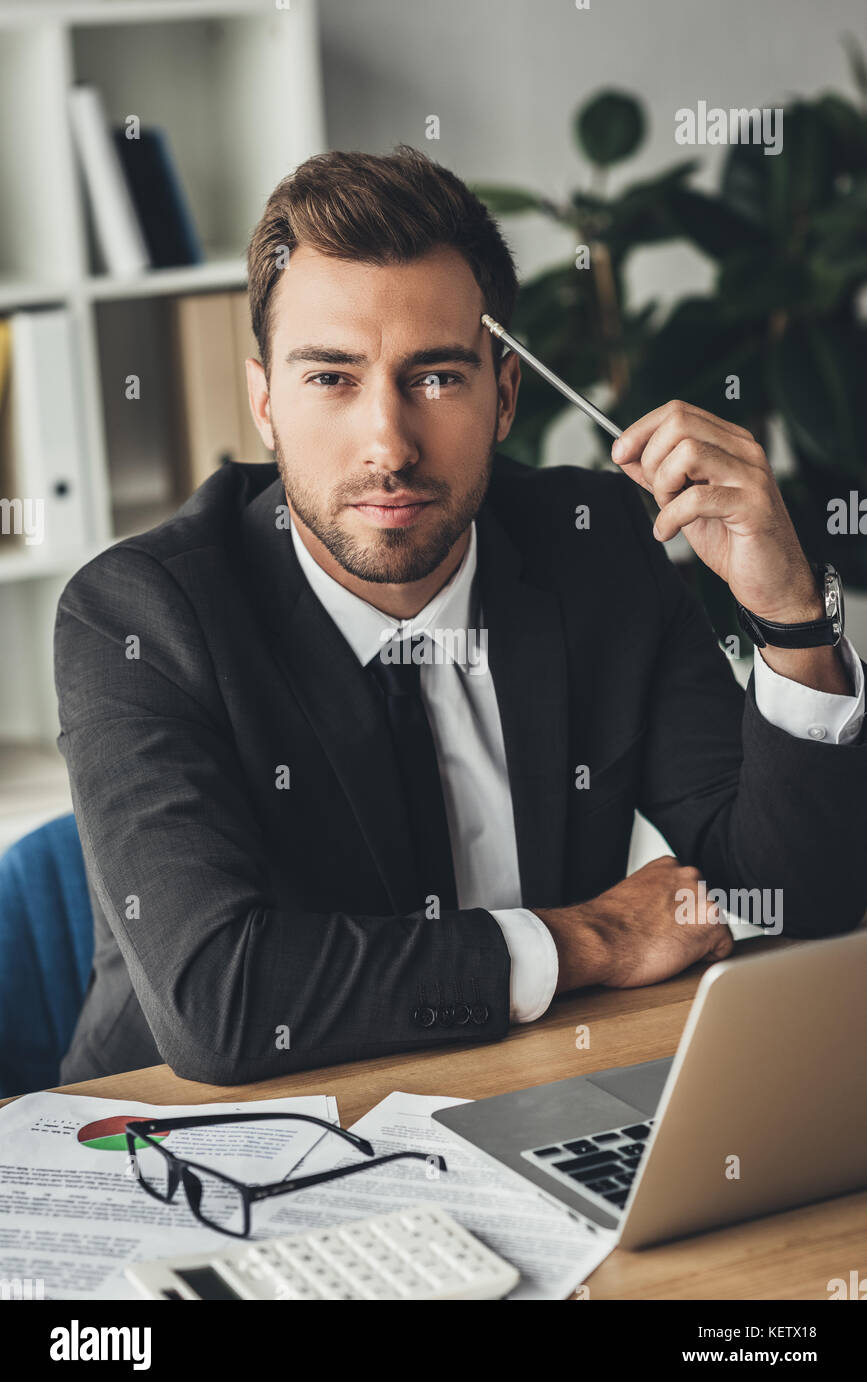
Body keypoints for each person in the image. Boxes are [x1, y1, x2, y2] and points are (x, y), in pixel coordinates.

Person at [55, 146, 866, 1086]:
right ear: (265, 401)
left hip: (528, 1099)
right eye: (331, 378)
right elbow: (220, 1001)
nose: (388, 445)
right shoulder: (138, 616)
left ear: (505, 394)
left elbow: (789, 900)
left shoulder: (594, 545)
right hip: (185, 1148)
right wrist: (587, 940)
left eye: (436, 376)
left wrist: (791, 615)